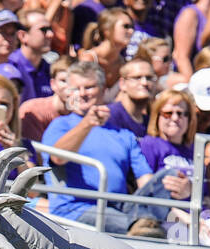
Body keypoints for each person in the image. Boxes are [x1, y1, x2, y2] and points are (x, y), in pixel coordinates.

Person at [40, 59, 154, 232]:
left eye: (89, 87)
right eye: (76, 89)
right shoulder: (60, 125)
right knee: (138, 227)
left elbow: (145, 179)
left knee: (166, 178)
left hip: (120, 209)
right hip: (76, 210)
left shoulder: (123, 135)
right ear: (69, 93)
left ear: (104, 91)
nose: (82, 93)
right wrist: (87, 123)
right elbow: (57, 157)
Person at [79, 7, 136, 99]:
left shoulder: (123, 64)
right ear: (107, 30)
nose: (131, 31)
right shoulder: (89, 59)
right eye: (125, 26)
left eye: (132, 27)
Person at [19, 55, 69, 142]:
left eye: (74, 81)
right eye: (63, 81)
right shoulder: (33, 111)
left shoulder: (86, 114)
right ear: (53, 84)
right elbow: (33, 153)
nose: (69, 86)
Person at [104, 57, 156, 137]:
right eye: (137, 78)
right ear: (122, 84)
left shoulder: (150, 122)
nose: (144, 82)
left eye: (149, 78)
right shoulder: (109, 116)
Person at [8, 8, 51, 100]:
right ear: (23, 36)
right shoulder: (10, 67)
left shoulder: (49, 70)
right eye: (44, 30)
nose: (51, 34)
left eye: (50, 29)